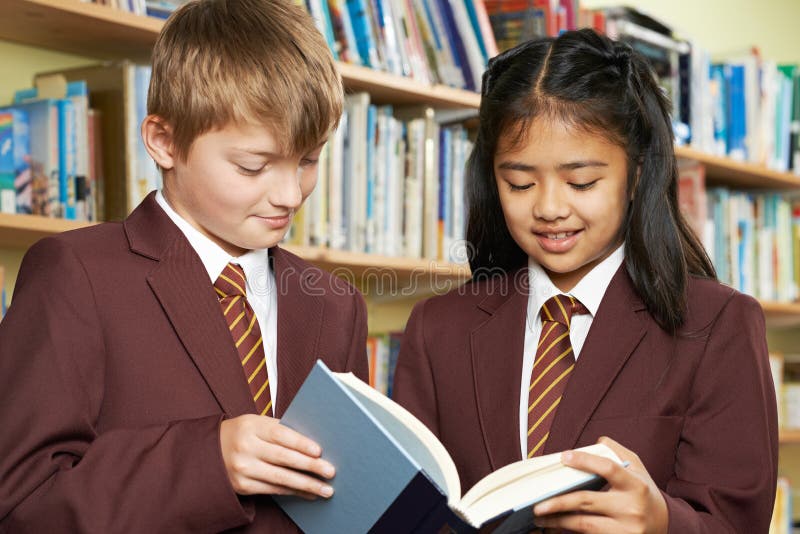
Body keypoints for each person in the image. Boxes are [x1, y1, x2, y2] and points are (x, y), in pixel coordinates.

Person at [0, 0, 368, 531]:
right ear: (164, 142)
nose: (291, 194)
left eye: (309, 160)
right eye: (253, 165)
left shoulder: (335, 304)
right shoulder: (76, 274)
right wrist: (207, 461)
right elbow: (20, 505)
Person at [393, 29, 777, 532]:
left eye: (582, 182)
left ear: (637, 174)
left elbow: (736, 520)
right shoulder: (436, 328)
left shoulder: (717, 324)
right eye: (520, 183)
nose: (550, 208)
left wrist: (662, 521)